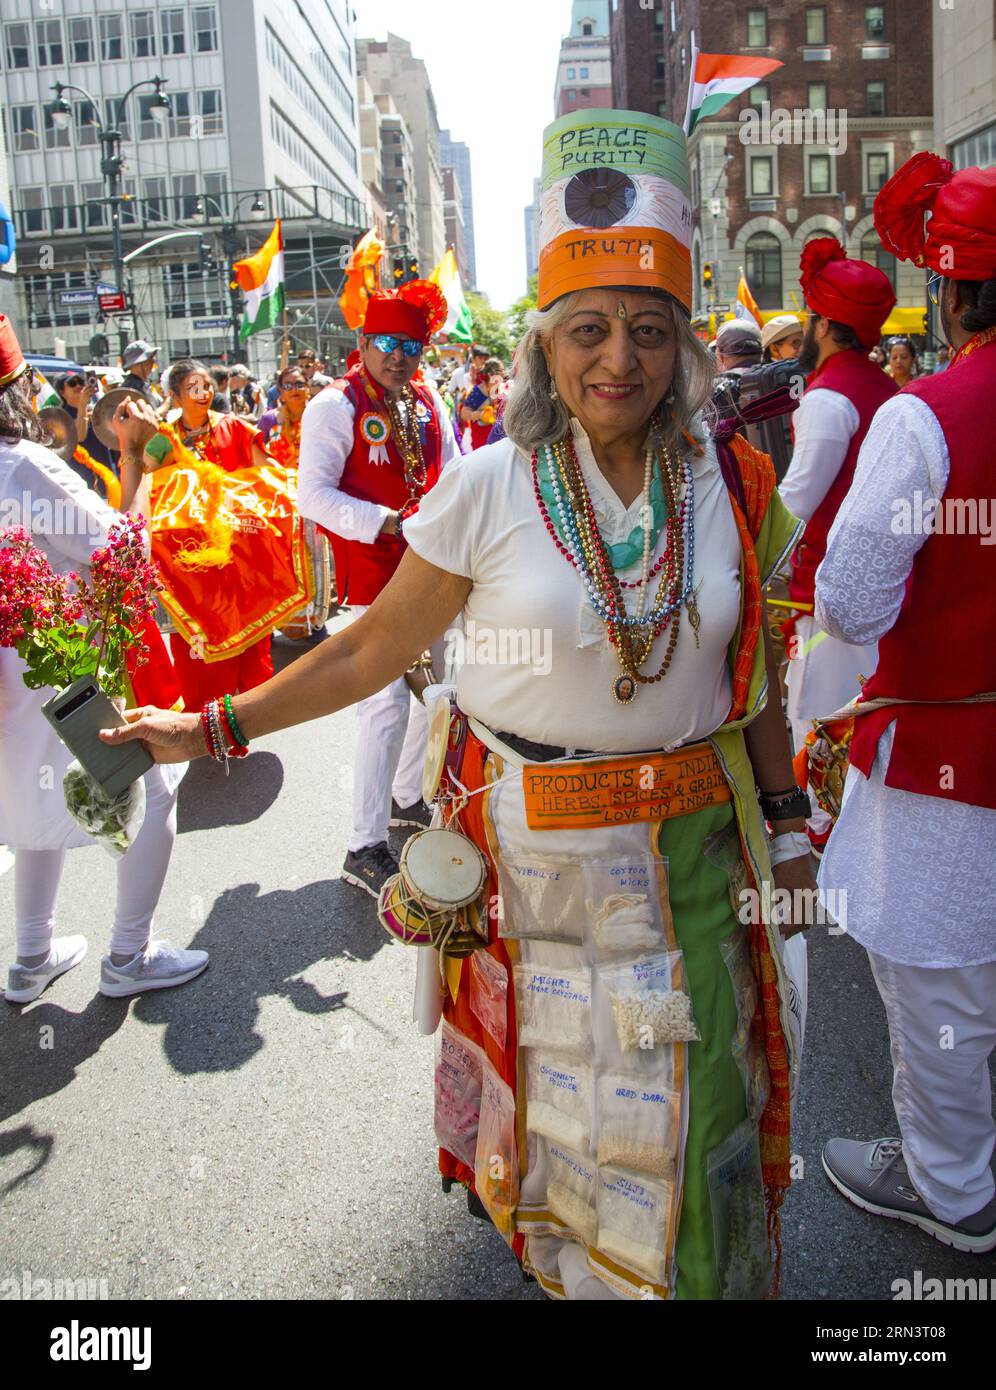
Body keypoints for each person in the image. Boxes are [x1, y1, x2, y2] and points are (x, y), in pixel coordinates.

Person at [104, 108, 814, 1302]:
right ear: (543, 349)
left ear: (685, 349)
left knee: (696, 1139)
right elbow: (371, 648)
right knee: (573, 1148)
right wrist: (212, 726)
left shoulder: (735, 485)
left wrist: (788, 825)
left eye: (648, 331)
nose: (619, 361)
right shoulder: (488, 484)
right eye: (588, 330)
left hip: (699, 855)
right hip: (531, 871)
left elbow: (756, 681)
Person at [817, 152, 996, 1255]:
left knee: (941, 982)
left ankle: (954, 1184)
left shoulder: (924, 417)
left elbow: (849, 595)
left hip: (948, 757)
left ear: (956, 294)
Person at [0, 315, 207, 1003]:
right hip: (58, 669)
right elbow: (120, 549)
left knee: (29, 793)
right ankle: (131, 955)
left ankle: (32, 956)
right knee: (152, 785)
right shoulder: (24, 465)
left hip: (15, 679)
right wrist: (139, 463)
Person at [295, 280, 459, 895]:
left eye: (411, 346)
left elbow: (460, 469)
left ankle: (406, 796)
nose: (398, 356)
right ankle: (363, 845)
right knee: (385, 705)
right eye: (386, 343)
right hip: (372, 581)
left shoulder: (427, 399)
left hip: (436, 572)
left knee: (441, 690)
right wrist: (386, 521)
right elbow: (312, 495)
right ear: (363, 343)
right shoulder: (334, 406)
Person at [778, 239, 897, 849]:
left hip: (828, 591)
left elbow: (794, 504)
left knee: (816, 715)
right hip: (881, 585)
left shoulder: (828, 397)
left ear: (823, 323)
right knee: (861, 709)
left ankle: (830, 833)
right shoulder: (886, 389)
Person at [118, 359, 307, 711]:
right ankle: (203, 720)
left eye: (207, 385)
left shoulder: (234, 428)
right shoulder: (162, 439)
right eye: (193, 388)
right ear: (174, 396)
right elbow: (147, 485)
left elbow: (266, 476)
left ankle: (248, 713)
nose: (204, 393)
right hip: (190, 568)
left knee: (249, 634)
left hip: (240, 557)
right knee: (197, 645)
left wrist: (301, 487)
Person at [257, 366, 309, 459]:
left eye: (299, 384)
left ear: (307, 387)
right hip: (279, 472)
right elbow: (257, 452)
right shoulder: (269, 418)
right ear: (281, 390)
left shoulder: (316, 415)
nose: (294, 389)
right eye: (288, 386)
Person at [459, 356, 505, 450]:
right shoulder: (478, 391)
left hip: (499, 438)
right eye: (500, 372)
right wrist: (478, 415)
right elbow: (464, 413)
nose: (503, 375)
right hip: (481, 438)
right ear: (490, 375)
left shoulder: (502, 390)